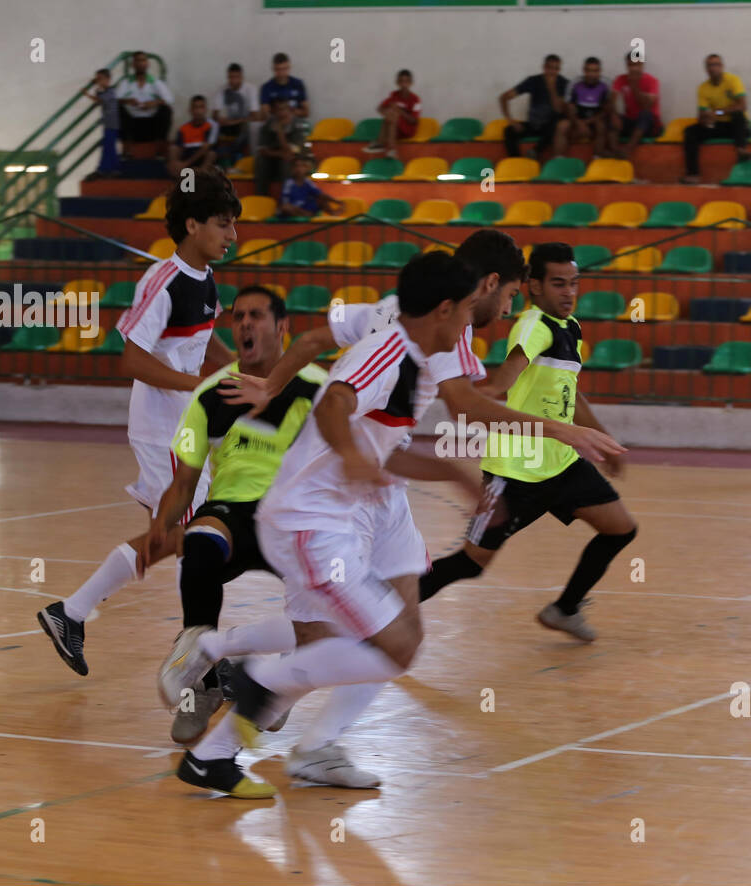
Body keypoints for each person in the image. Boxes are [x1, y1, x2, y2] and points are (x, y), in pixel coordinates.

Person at [208, 231, 625, 787]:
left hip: (384, 481)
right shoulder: (437, 330)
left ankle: (302, 733)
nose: (508, 310)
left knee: (397, 633)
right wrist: (556, 428)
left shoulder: (401, 311)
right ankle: (238, 669)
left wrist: (271, 386)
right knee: (344, 637)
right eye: (508, 298)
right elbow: (467, 406)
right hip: (337, 496)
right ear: (488, 285)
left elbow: (310, 340)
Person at [165, 252, 487, 798]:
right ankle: (256, 681)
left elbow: (381, 451)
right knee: (395, 645)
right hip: (308, 524)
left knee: (367, 639)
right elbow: (332, 407)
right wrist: (354, 458)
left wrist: (456, 477)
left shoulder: (411, 358)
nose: (468, 329)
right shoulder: (386, 354)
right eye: (467, 315)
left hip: (324, 520)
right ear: (445, 309)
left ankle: (213, 757)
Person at [36, 169, 240, 676]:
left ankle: (72, 612)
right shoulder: (163, 281)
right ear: (192, 225)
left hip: (183, 428)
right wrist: (195, 386)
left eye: (234, 224)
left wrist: (239, 373)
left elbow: (204, 338)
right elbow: (131, 359)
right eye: (222, 223)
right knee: (199, 540)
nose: (232, 235)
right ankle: (199, 659)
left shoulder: (206, 277)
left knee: (183, 539)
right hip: (163, 430)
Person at [420, 242, 637, 642]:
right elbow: (507, 377)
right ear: (533, 286)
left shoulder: (569, 328)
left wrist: (603, 439)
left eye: (574, 283)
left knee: (620, 529)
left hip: (561, 462)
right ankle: (385, 610)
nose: (569, 292)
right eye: (558, 284)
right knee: (470, 563)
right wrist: (478, 396)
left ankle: (564, 609)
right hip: (516, 471)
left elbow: (573, 394)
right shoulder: (533, 325)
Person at [146, 286, 321, 745]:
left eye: (257, 316)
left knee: (326, 610)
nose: (245, 324)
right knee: (199, 543)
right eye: (238, 316)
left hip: (298, 516)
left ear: (283, 327)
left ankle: (272, 684)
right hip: (234, 510)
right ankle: (201, 683)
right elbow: (184, 481)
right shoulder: (210, 394)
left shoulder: (319, 390)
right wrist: (162, 524)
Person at [682, 53, 750, 183]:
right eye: (710, 65)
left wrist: (717, 112)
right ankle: (693, 174)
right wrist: (706, 119)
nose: (713, 68)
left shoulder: (733, 80)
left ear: (722, 66)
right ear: (706, 69)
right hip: (717, 125)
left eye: (716, 65)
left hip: (737, 128)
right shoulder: (703, 88)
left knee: (738, 114)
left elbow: (742, 105)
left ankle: (741, 149)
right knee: (690, 132)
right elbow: (701, 115)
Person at [499, 55, 569, 159]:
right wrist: (511, 120)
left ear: (559, 69)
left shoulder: (564, 83)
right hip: (534, 124)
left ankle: (535, 151)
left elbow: (559, 109)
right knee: (508, 131)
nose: (553, 72)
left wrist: (552, 88)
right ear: (544, 67)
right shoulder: (533, 81)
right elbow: (504, 97)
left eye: (556, 68)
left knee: (559, 122)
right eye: (550, 68)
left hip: (550, 126)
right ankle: (516, 160)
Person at [116, 51, 174, 150]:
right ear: (133, 64)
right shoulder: (126, 82)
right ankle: (126, 149)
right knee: (117, 109)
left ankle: (160, 148)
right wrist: (128, 101)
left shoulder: (155, 82)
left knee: (166, 109)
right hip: (132, 121)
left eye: (143, 60)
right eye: (137, 61)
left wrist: (154, 102)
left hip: (151, 121)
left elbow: (169, 99)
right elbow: (116, 99)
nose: (140, 63)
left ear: (147, 64)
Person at [611, 52, 663, 159]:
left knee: (645, 114)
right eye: (631, 65)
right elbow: (612, 100)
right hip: (631, 122)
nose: (634, 69)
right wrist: (614, 115)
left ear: (642, 65)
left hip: (649, 126)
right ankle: (614, 152)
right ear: (627, 66)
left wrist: (634, 86)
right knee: (612, 117)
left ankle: (627, 150)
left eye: (637, 65)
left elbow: (647, 106)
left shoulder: (652, 81)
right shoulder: (621, 79)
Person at [211, 63, 260, 169]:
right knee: (212, 125)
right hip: (228, 125)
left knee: (250, 126)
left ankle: (230, 157)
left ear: (241, 77)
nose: (233, 81)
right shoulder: (222, 89)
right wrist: (220, 119)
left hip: (243, 125)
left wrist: (233, 122)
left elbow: (255, 116)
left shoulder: (250, 89)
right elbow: (214, 115)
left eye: (236, 77)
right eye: (230, 77)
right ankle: (216, 160)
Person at [367, 69, 421, 157]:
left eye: (406, 81)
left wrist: (399, 111)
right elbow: (380, 108)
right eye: (401, 81)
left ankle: (383, 144)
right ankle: (389, 148)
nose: (404, 84)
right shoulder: (394, 95)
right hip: (395, 129)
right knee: (390, 114)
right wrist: (387, 113)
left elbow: (414, 121)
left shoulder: (416, 99)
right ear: (397, 83)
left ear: (411, 83)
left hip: (408, 130)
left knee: (394, 114)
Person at [259, 53, 310, 147]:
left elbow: (306, 112)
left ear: (289, 67)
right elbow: (265, 114)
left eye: (284, 69)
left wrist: (290, 113)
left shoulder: (298, 84)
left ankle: (300, 155)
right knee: (265, 128)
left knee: (302, 125)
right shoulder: (267, 87)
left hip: (295, 120)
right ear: (273, 69)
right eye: (278, 69)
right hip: (276, 121)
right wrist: (281, 114)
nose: (281, 73)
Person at [564, 57, 612, 158]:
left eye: (595, 71)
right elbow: (569, 108)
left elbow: (606, 110)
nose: (591, 74)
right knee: (561, 126)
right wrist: (579, 123)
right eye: (589, 70)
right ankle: (559, 159)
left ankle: (597, 158)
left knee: (601, 126)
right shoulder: (575, 83)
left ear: (599, 71)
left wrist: (587, 123)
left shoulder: (606, 84)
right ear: (584, 70)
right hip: (577, 119)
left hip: (595, 119)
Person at [254, 99, 298, 197]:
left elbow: (291, 153)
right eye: (278, 110)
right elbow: (262, 150)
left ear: (290, 110)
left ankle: (285, 200)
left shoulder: (296, 125)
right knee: (261, 161)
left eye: (284, 109)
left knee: (285, 162)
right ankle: (261, 198)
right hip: (273, 159)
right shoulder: (268, 124)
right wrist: (280, 154)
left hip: (293, 161)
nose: (281, 113)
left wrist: (280, 132)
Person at [167, 96, 218, 179]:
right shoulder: (184, 128)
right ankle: (179, 178)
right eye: (195, 107)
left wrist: (185, 164)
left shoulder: (211, 126)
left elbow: (206, 148)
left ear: (205, 109)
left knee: (211, 154)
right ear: (190, 110)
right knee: (172, 149)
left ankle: (200, 178)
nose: (198, 111)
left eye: (201, 107)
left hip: (201, 159)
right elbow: (179, 147)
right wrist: (178, 164)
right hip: (186, 156)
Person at [278, 154, 343, 219]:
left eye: (302, 166)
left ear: (307, 168)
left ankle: (334, 215)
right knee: (286, 208)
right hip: (294, 208)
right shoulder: (288, 183)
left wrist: (338, 202)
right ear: (292, 169)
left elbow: (320, 194)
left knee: (321, 200)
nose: (299, 169)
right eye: (296, 166)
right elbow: (285, 202)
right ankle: (306, 215)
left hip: (305, 207)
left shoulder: (308, 182)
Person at [83, 68, 120, 179]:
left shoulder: (111, 91)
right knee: (108, 146)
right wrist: (94, 83)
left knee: (109, 146)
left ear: (108, 79)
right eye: (97, 79)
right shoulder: (105, 91)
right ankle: (111, 168)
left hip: (112, 124)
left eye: (100, 79)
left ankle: (108, 168)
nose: (98, 81)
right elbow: (99, 94)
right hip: (109, 124)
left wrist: (86, 94)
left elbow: (99, 100)